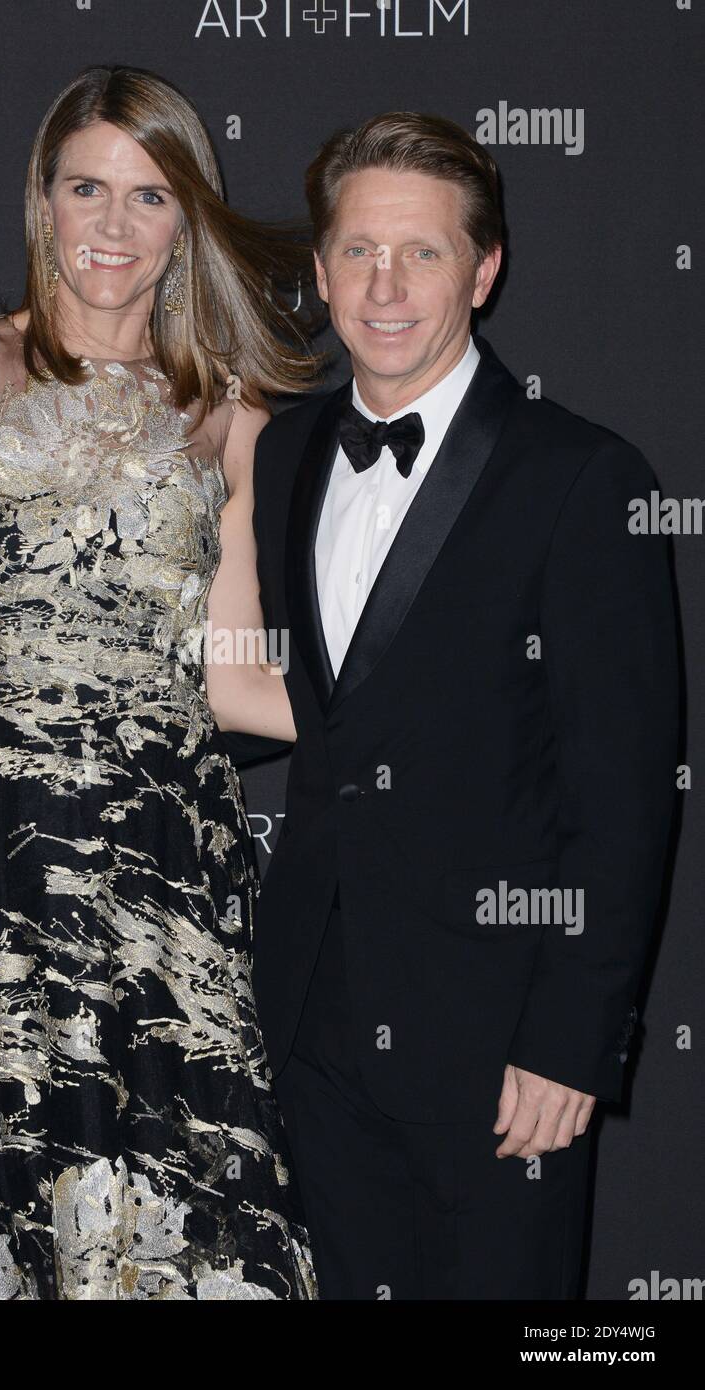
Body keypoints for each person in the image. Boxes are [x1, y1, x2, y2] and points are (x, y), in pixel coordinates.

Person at [0, 64, 322, 1300]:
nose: (111, 225)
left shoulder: (231, 421)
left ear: (186, 220)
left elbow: (237, 680)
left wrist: (424, 700)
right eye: (86, 187)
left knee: (200, 1228)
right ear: (43, 199)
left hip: (170, 873)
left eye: (148, 197)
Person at [247, 111, 680, 1299]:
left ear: (483, 270)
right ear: (323, 268)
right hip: (311, 1033)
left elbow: (624, 795)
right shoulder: (284, 455)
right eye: (357, 252)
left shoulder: (582, 478)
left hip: (497, 1046)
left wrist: (568, 1041)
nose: (384, 286)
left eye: (422, 253)